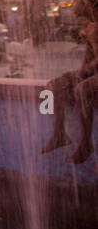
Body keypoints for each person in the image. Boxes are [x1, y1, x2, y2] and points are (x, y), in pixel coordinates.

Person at [42, 11, 98, 164]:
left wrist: (85, 72)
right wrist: (80, 73)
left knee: (82, 90)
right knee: (49, 88)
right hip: (93, 73)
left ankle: (86, 144)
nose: (73, 2)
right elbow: (89, 57)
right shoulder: (90, 24)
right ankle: (58, 135)